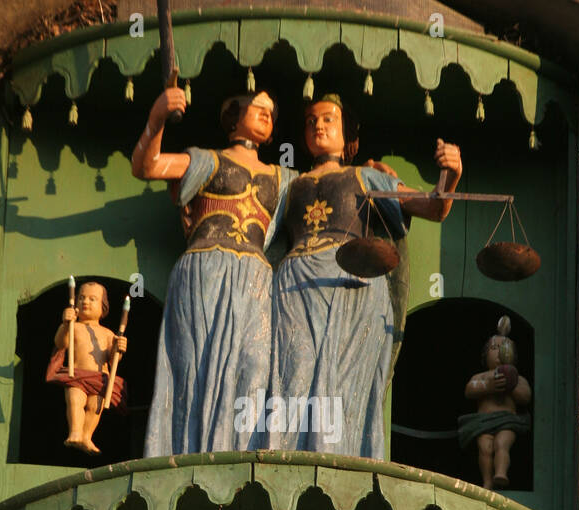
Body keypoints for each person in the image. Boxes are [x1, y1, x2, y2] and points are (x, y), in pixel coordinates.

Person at [268, 95, 462, 458]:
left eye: (329, 119)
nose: (319, 126)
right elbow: (259, 236)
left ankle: (341, 456)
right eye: (311, 121)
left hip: (350, 283)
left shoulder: (366, 176)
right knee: (292, 372)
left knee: (344, 381)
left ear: (348, 135)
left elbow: (433, 207)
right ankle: (288, 456)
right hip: (295, 286)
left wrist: (451, 174)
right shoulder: (288, 184)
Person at [131, 87, 291, 454]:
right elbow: (147, 166)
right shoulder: (205, 160)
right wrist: (157, 118)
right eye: (258, 108)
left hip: (255, 281)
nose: (267, 115)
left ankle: (237, 458)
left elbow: (329, 198)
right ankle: (187, 455)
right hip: (205, 270)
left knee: (254, 368)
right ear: (233, 115)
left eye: (271, 111)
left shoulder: (285, 180)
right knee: (193, 367)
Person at [46, 280, 127, 454]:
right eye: (81, 297)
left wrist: (118, 348)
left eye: (92, 299)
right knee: (76, 400)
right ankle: (75, 431)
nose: (85, 302)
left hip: (100, 379)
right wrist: (65, 324)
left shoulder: (107, 333)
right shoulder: (73, 327)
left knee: (94, 407)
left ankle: (86, 436)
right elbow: (60, 343)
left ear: (103, 306)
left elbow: (113, 360)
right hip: (76, 375)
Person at [459, 315, 532, 489]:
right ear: (485, 354)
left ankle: (500, 472)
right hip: (482, 423)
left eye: (505, 348)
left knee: (501, 444)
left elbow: (525, 396)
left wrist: (512, 386)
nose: (499, 352)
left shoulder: (516, 377)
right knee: (485, 448)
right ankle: (487, 481)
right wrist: (488, 386)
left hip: (507, 420)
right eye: (494, 348)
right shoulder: (482, 376)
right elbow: (470, 389)